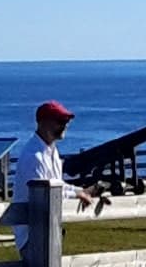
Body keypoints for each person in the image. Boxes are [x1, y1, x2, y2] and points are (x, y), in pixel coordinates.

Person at [11, 101, 92, 256]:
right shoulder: (34, 156)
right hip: (32, 235)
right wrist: (77, 193)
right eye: (61, 121)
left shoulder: (51, 151)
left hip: (47, 229)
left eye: (67, 122)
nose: (65, 126)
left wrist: (79, 190)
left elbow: (57, 184)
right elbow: (46, 194)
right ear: (43, 123)